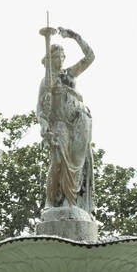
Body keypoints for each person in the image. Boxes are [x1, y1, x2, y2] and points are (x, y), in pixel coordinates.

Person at [37, 26, 95, 212]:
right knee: (58, 162)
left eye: (62, 57)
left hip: (79, 123)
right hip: (59, 124)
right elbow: (40, 108)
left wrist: (75, 36)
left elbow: (90, 57)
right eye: (56, 57)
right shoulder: (47, 80)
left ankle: (73, 203)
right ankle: (50, 201)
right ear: (49, 59)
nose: (60, 60)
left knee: (79, 163)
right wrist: (44, 126)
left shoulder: (69, 74)